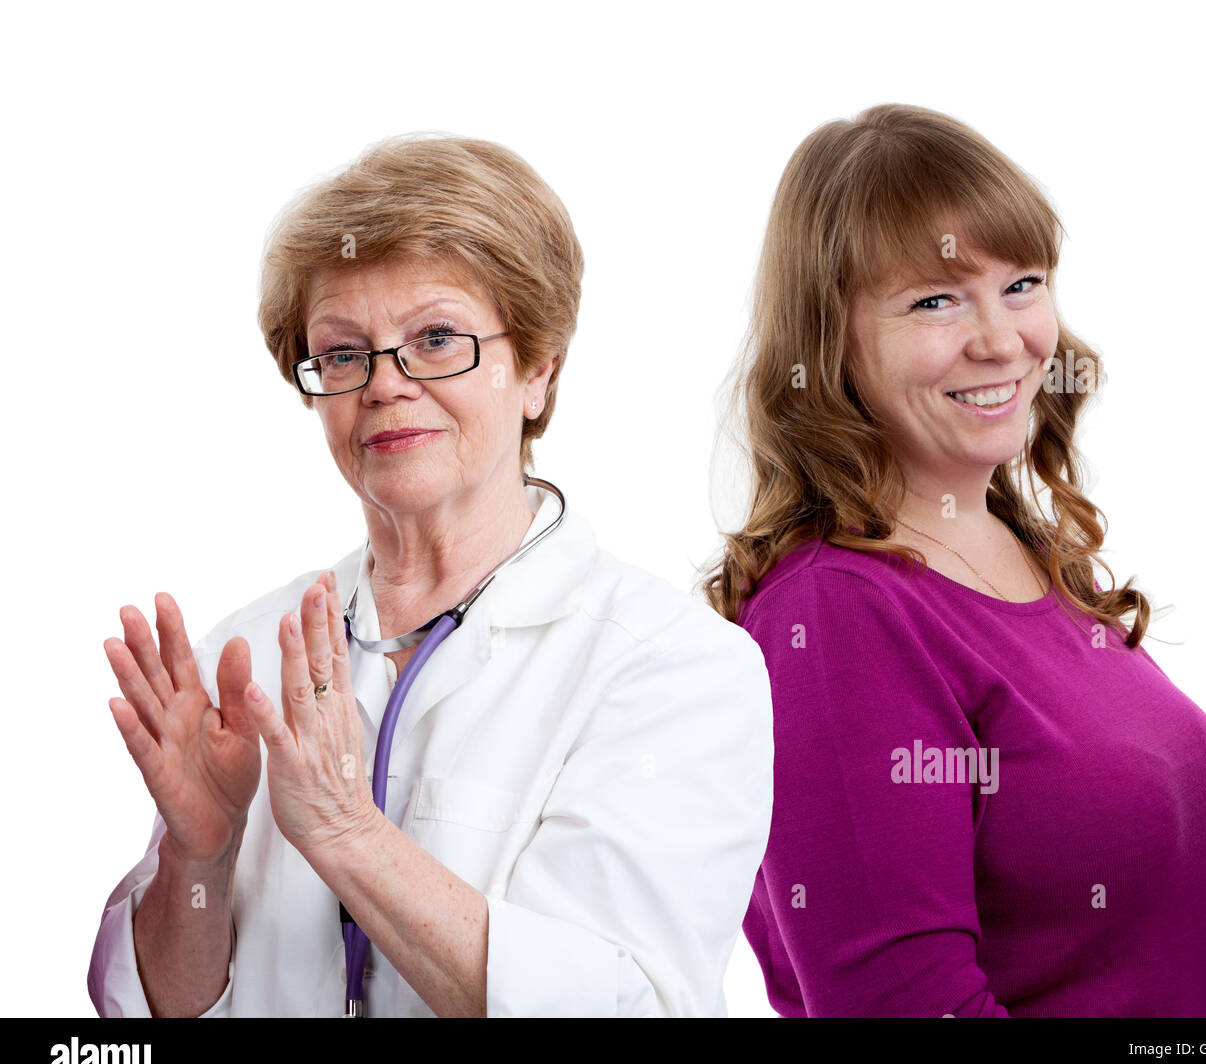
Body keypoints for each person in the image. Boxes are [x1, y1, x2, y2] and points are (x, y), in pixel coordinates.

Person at [90, 134, 774, 1017]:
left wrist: (347, 833)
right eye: (343, 353)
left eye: (437, 338)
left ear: (536, 369)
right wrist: (200, 857)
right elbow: (146, 1028)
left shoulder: (673, 668)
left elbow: (624, 1002)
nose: (384, 384)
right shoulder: (248, 654)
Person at [702, 104, 1206, 1017]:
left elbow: (1166, 954)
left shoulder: (1039, 556)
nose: (1002, 340)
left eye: (1022, 283)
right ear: (832, 340)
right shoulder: (835, 616)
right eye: (936, 300)